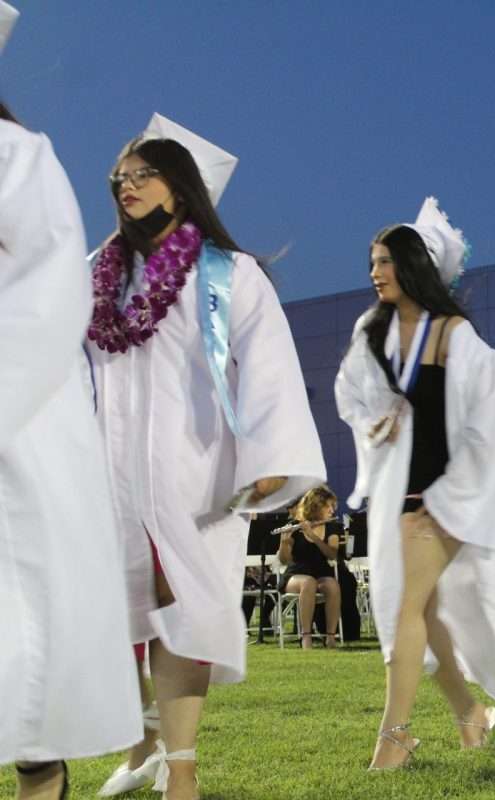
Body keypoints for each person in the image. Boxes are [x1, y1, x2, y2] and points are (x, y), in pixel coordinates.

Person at [88, 115, 325, 799]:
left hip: (195, 469)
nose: (125, 185)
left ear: (181, 187)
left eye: (142, 174)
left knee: (181, 604)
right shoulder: (103, 274)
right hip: (110, 470)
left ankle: (180, 770)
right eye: (118, 177)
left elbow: (270, 369)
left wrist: (272, 457)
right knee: (115, 611)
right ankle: (145, 738)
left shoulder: (227, 274)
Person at [335, 197, 495, 771]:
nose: (375, 273)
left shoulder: (456, 336)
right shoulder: (372, 329)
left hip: (444, 498)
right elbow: (350, 393)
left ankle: (394, 737)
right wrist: (372, 419)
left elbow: (492, 424)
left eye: (385, 262)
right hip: (396, 494)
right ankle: (469, 714)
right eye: (372, 263)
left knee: (403, 605)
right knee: (421, 615)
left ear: (414, 265)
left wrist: (456, 495)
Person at [0, 43, 143, 798]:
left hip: (17, 424)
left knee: (27, 637)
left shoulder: (18, 157)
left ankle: (42, 776)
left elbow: (49, 296)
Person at [277, 486, 343, 649]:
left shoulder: (332, 527)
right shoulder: (294, 526)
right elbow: (284, 560)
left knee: (333, 585)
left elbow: (332, 555)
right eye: (328, 506)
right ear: (315, 506)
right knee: (308, 583)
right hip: (296, 575)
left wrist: (313, 536)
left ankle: (331, 636)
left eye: (332, 506)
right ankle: (306, 636)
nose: (331, 510)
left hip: (321, 572)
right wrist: (284, 544)